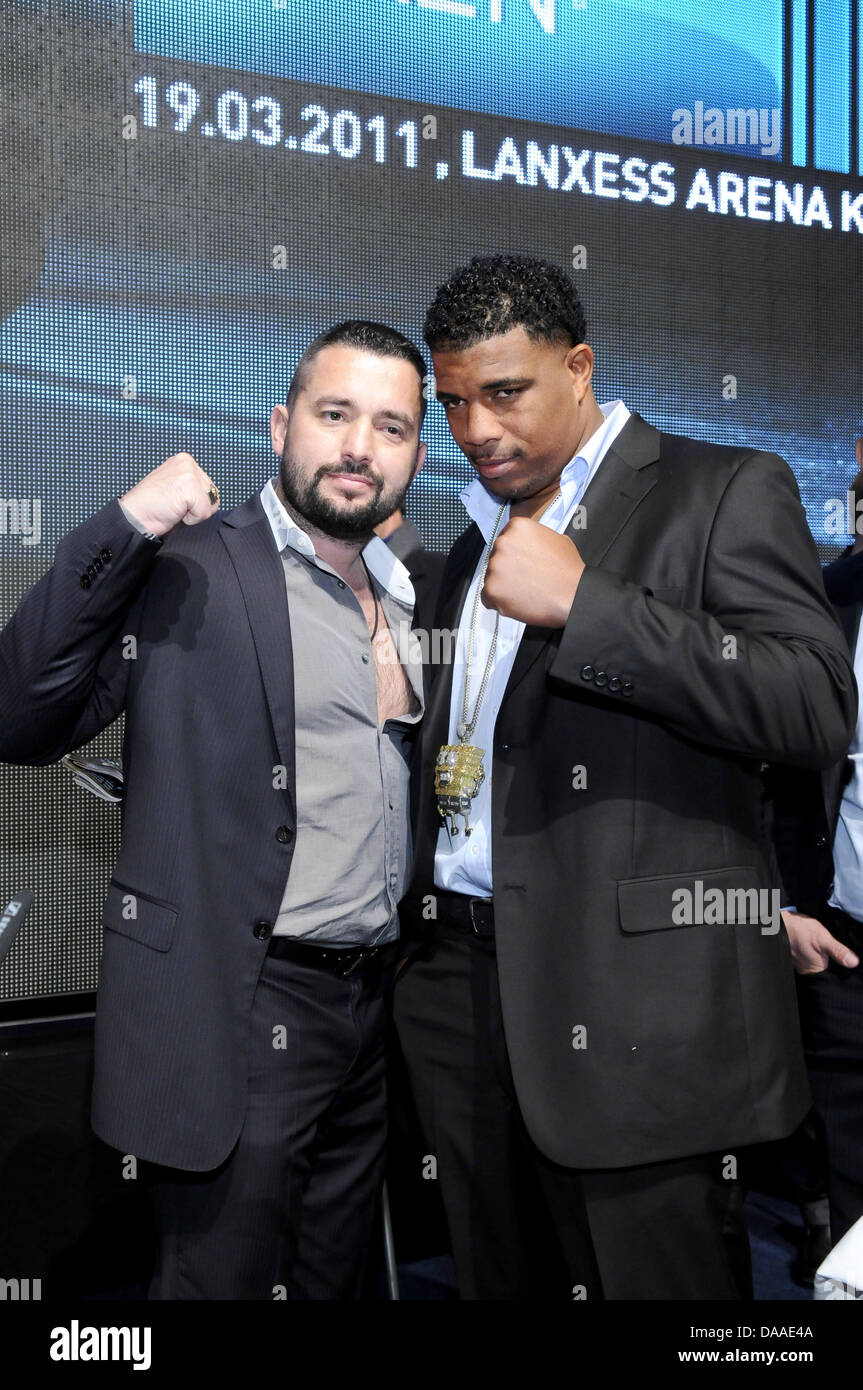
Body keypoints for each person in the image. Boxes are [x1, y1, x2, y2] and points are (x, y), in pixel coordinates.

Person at [393, 254, 857, 1300]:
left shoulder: (720, 486)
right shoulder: (468, 542)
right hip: (460, 999)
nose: (473, 429)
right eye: (454, 401)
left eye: (503, 393)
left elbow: (811, 703)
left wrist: (588, 604)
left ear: (579, 366)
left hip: (639, 1018)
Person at [0, 319, 429, 1299]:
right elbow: (21, 714)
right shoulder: (193, 565)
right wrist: (125, 524)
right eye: (334, 414)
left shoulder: (407, 596)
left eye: (392, 426)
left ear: (413, 453)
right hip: (240, 1003)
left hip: (367, 1011)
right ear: (281, 425)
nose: (359, 446)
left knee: (334, 1275)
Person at [769, 443, 863, 1251]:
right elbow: (772, 776)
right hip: (842, 939)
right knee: (847, 1157)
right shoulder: (824, 606)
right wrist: (784, 908)